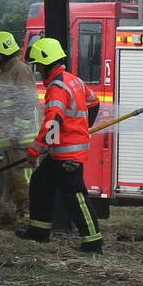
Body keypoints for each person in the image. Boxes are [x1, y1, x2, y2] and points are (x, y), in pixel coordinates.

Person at [15, 37, 103, 253]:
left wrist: (36, 149)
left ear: (46, 63)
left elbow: (53, 120)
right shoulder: (74, 80)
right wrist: (83, 127)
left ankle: (93, 241)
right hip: (62, 152)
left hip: (67, 155)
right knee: (40, 183)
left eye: (38, 65)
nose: (37, 69)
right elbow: (94, 101)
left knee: (76, 196)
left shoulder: (57, 87)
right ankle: (39, 231)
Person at [0, 31, 41, 228]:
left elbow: (26, 103)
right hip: (9, 140)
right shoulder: (4, 72)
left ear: (5, 52)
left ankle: (32, 218)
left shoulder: (20, 70)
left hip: (20, 140)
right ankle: (22, 217)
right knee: (12, 180)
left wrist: (17, 131)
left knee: (23, 180)